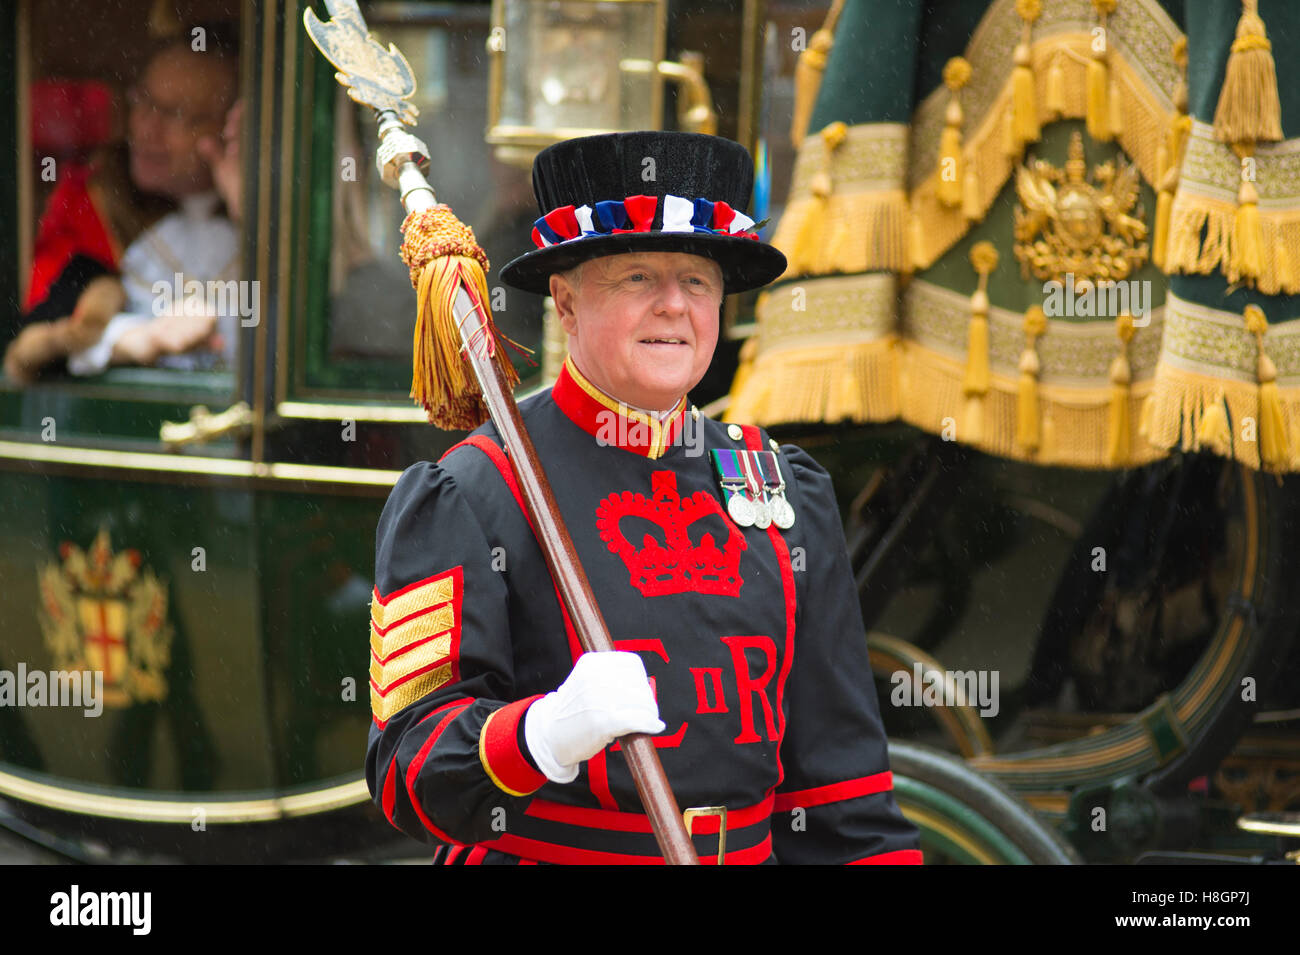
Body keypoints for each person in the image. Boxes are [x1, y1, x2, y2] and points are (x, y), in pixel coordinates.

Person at [366, 131, 922, 864]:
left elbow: (842, 788)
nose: (672, 305)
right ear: (565, 304)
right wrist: (542, 733)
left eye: (696, 280)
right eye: (635, 277)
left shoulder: (782, 486)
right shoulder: (472, 489)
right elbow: (410, 768)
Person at [4, 32, 242, 383]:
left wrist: (247, 207)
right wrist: (132, 340)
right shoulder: (94, 205)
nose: (147, 127)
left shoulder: (259, 218)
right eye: (143, 101)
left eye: (175, 114)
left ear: (230, 126)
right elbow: (28, 352)